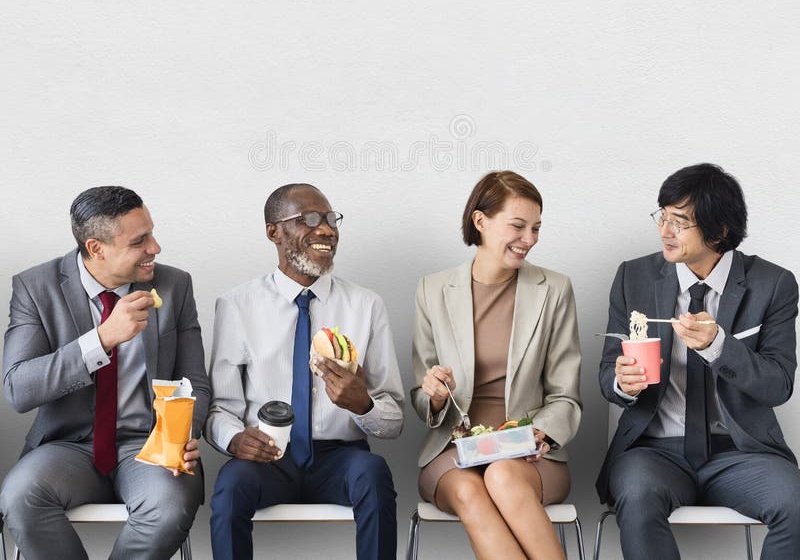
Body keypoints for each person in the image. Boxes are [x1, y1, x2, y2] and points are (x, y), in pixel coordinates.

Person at [597, 163, 800, 560]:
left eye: (679, 222)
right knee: (637, 495)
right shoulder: (633, 277)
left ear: (719, 231)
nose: (664, 231)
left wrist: (720, 346)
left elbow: (779, 384)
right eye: (662, 217)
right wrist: (622, 383)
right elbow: (607, 372)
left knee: (794, 504)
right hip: (653, 451)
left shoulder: (773, 284)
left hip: (741, 452)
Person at [0, 186, 209, 560]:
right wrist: (101, 339)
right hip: (66, 446)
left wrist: (184, 433)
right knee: (20, 497)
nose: (155, 248)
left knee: (167, 507)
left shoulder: (175, 285)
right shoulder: (36, 287)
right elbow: (19, 388)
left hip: (150, 444)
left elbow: (196, 382)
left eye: (151, 233)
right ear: (96, 248)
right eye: (139, 241)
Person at [205, 182, 404, 560]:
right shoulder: (237, 305)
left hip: (340, 458)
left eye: (331, 219)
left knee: (374, 473)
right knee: (231, 485)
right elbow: (220, 409)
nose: (327, 230)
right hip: (267, 456)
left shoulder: (366, 305)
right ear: (273, 232)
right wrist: (234, 439)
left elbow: (393, 421)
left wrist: (362, 405)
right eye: (309, 219)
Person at [411, 170, 582, 560]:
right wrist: (434, 396)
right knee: (471, 491)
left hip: (528, 456)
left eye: (536, 229)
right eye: (518, 226)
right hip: (453, 450)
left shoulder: (554, 289)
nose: (529, 239)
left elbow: (566, 396)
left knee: (502, 474)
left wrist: (541, 432)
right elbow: (421, 398)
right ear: (480, 221)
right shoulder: (432, 290)